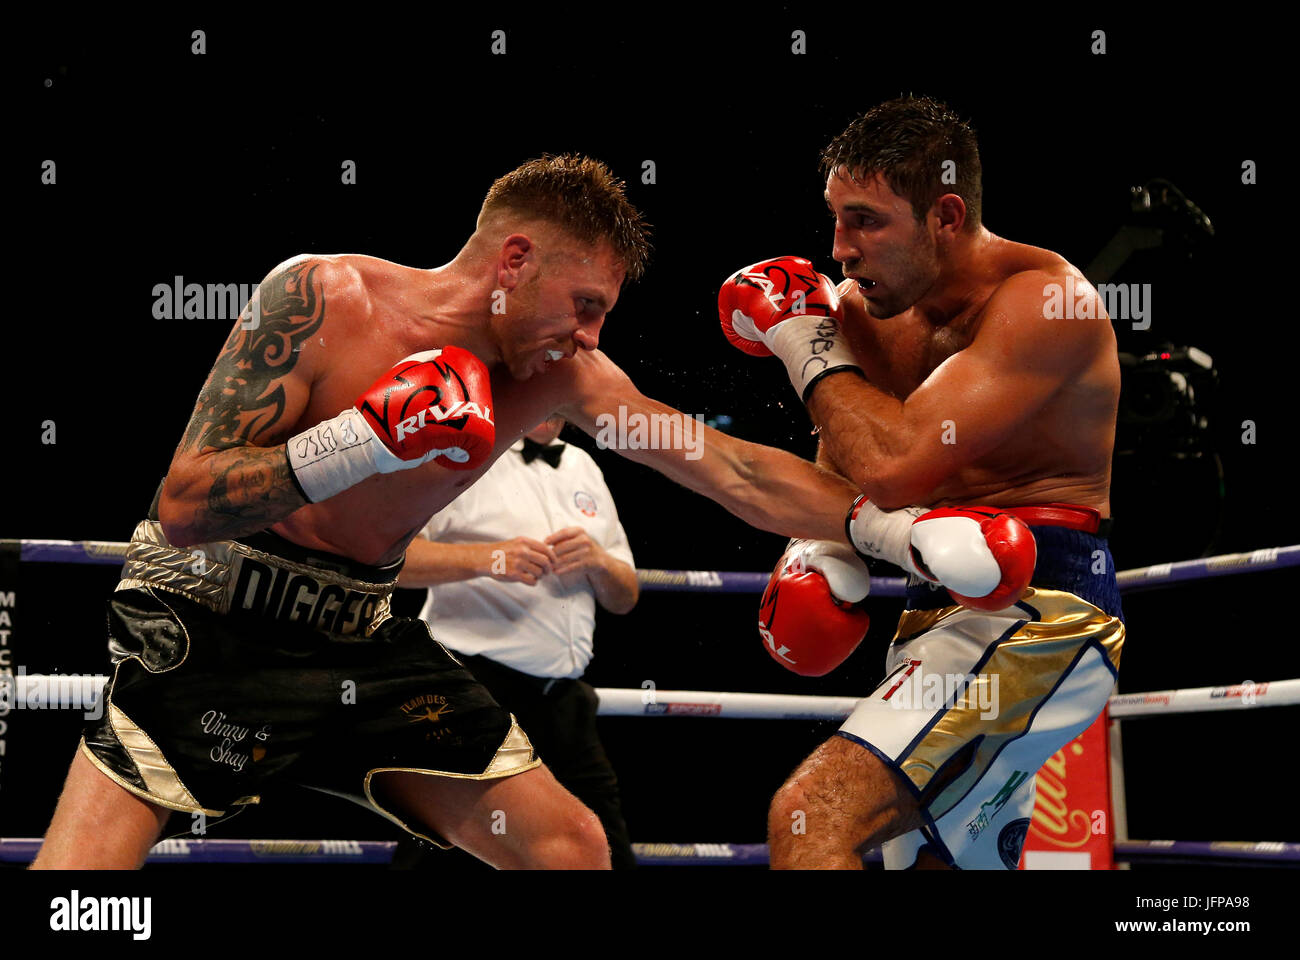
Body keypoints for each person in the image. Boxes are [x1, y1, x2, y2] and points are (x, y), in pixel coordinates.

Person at [35, 153, 997, 870]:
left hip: (363, 637)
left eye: (605, 315)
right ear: (514, 259)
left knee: (569, 848)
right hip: (216, 622)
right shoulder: (323, 296)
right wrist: (360, 440)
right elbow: (187, 502)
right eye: (583, 303)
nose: (590, 336)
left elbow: (729, 471)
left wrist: (892, 531)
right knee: (80, 893)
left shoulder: (560, 377)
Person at [719, 96, 1126, 870]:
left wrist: (804, 344)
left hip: (1042, 607)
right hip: (930, 608)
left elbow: (897, 464)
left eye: (866, 220)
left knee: (810, 817)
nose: (840, 249)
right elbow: (842, 471)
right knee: (924, 864)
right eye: (835, 219)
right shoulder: (872, 314)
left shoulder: (1047, 301)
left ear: (945, 214)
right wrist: (815, 555)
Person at [392, 415, 640, 870]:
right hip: (474, 688)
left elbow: (625, 597)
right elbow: (394, 557)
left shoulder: (584, 466)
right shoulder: (461, 459)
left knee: (604, 845)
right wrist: (488, 558)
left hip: (563, 698)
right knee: (450, 850)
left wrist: (599, 563)